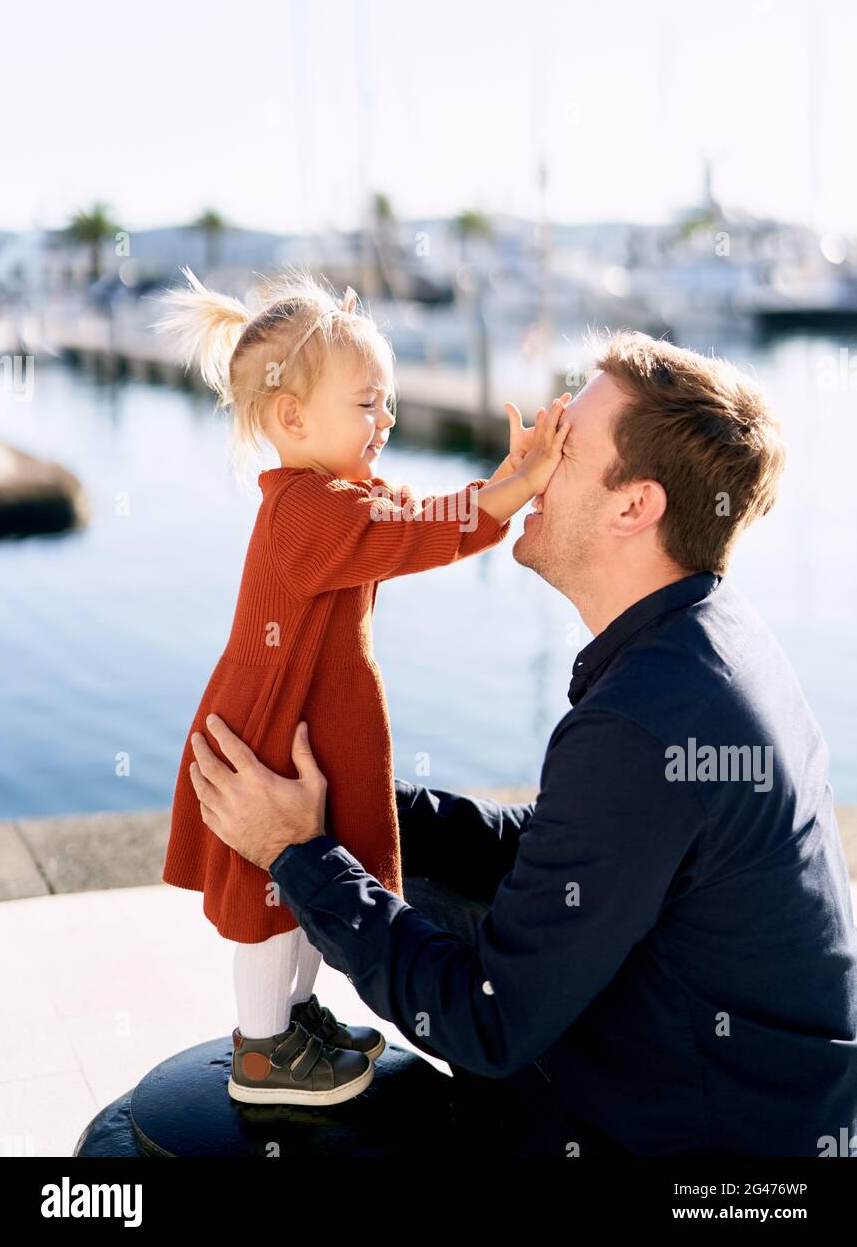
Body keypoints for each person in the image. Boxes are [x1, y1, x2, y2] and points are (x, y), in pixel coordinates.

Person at [190, 330, 857, 1156]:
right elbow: (556, 843)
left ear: (633, 505)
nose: (535, 452)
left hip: (707, 1149)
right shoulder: (704, 636)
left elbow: (489, 1023)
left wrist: (297, 852)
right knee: (406, 865)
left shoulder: (645, 725)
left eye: (564, 444)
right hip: (741, 1084)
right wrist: (359, 807)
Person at [157, 264, 571, 1107]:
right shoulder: (305, 514)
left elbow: (412, 523)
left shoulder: (336, 496)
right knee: (276, 903)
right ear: (292, 416)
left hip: (307, 724)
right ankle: (263, 1054)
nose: (386, 418)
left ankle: (297, 1020)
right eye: (367, 404)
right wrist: (514, 491)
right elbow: (417, 533)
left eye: (385, 401)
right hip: (274, 738)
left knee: (311, 886)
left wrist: (498, 490)